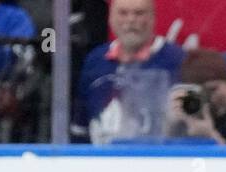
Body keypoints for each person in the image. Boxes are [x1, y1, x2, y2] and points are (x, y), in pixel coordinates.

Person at [72, 0, 182, 144]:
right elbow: (80, 128)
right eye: (123, 13)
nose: (131, 20)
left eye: (139, 13)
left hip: (159, 155)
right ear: (111, 18)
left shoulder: (177, 59)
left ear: (153, 18)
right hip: (102, 155)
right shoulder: (95, 60)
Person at [166, 48, 226, 146]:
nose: (207, 97)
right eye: (199, 93)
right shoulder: (190, 111)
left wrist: (210, 136)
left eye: (213, 90)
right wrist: (171, 125)